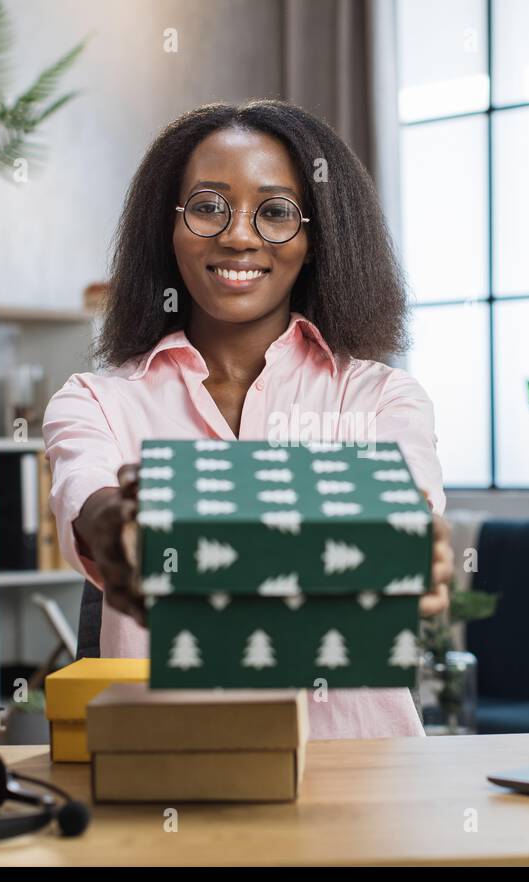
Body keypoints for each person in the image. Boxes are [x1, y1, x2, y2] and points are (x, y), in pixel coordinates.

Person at [43, 99, 452, 738]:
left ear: (319, 237)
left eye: (276, 212)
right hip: (166, 779)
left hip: (367, 786)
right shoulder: (95, 401)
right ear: (167, 229)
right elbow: (85, 503)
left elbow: (408, 520)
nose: (238, 235)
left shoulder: (382, 399)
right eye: (208, 206)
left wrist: (411, 544)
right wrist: (112, 525)